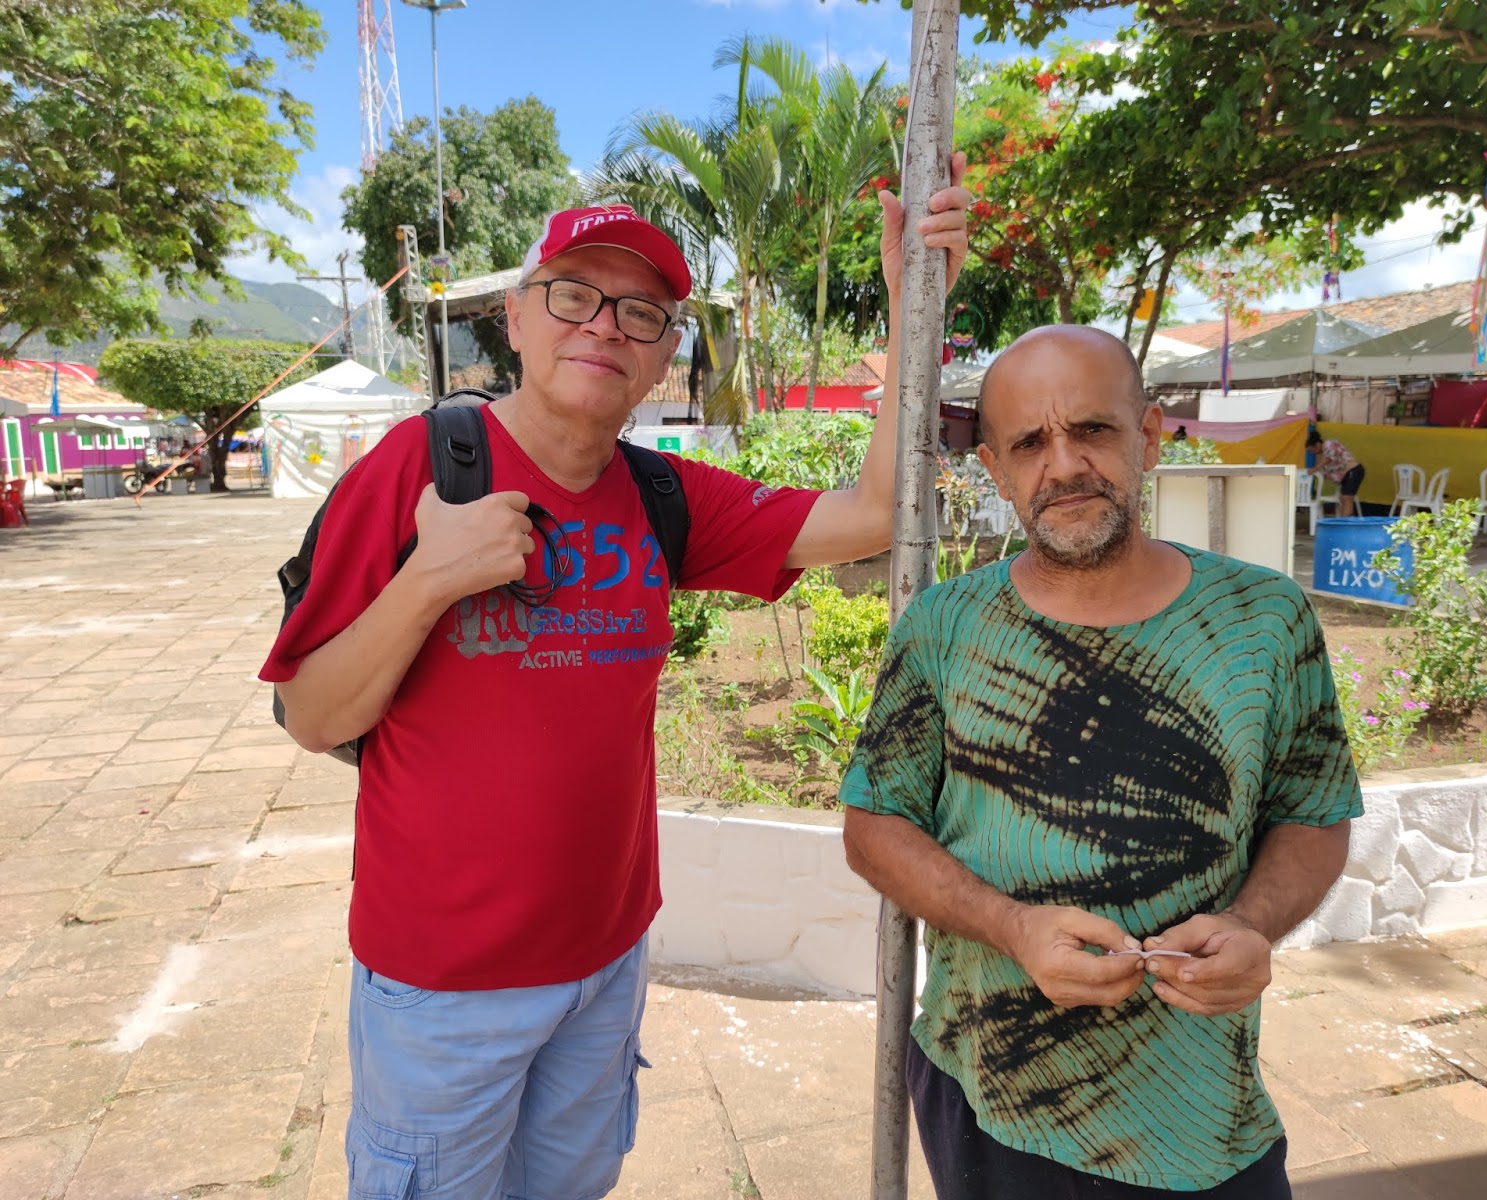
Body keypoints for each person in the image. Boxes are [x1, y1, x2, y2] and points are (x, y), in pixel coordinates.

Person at [261, 171, 969, 1200]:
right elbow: (312, 714)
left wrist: (913, 312)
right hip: (443, 987)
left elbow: (872, 511)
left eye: (640, 311)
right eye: (572, 294)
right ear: (515, 315)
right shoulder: (417, 468)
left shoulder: (659, 494)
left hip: (603, 968)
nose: (604, 326)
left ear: (665, 350)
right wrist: (430, 577)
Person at [840, 325, 1361, 1200]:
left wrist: (1253, 925)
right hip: (992, 1090)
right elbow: (873, 826)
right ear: (999, 472)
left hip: (1203, 1112)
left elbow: (1312, 813)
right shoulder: (943, 626)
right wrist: (1012, 927)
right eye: (1030, 444)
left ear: (1150, 436)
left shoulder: (1263, 619)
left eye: (1094, 430)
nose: (1065, 464)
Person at [1306, 427, 1363, 516]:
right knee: (1342, 498)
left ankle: (1345, 524)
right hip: (1347, 474)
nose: (1312, 453)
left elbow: (1329, 458)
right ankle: (1344, 520)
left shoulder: (1329, 444)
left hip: (1353, 470)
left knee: (1346, 498)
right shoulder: (1324, 456)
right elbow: (1330, 471)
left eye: (1311, 450)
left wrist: (1314, 469)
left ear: (1317, 445)